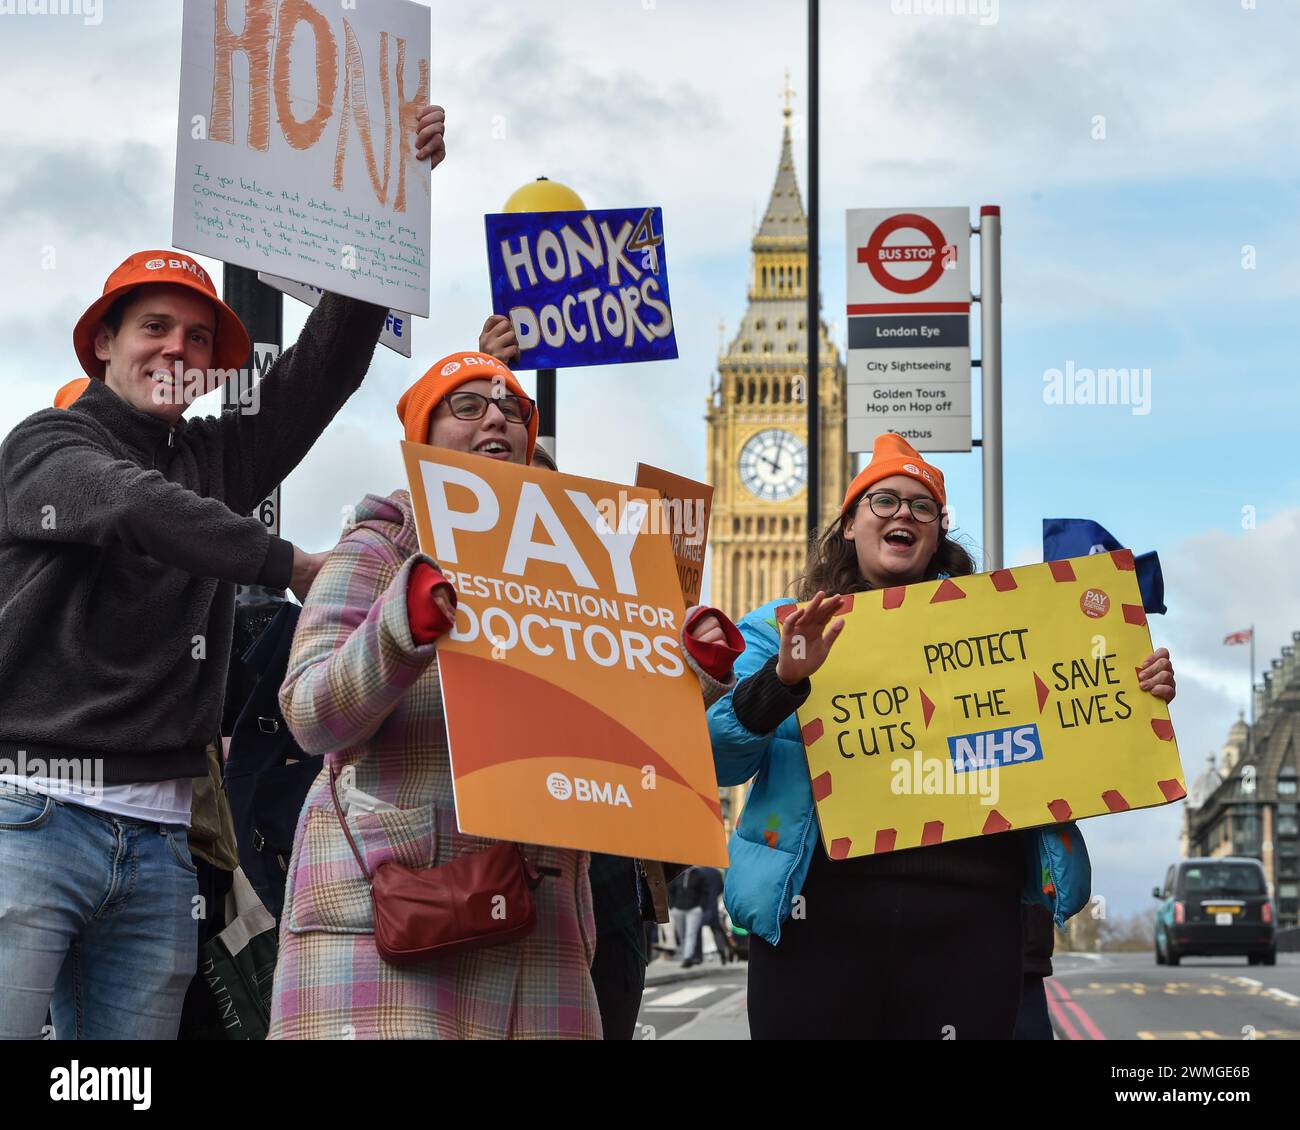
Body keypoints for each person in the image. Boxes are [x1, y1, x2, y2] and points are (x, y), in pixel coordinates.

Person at [0, 106, 448, 1041]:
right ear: (104, 346)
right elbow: (135, 508)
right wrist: (286, 561)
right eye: (155, 328)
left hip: (161, 845)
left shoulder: (214, 461)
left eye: (198, 340)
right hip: (29, 820)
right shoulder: (48, 445)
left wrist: (396, 200)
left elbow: (320, 374)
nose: (177, 350)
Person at [267, 351, 738, 1039]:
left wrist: (689, 673)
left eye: (513, 409)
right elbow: (311, 714)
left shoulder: (586, 570)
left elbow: (618, 741)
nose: (497, 417)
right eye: (468, 405)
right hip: (396, 918)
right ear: (421, 441)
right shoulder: (376, 551)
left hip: (538, 930)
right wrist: (401, 627)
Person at [706, 433, 1177, 1039]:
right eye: (884, 501)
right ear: (849, 525)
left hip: (968, 925)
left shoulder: (1001, 629)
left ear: (937, 532)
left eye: (921, 506)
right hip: (817, 927)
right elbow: (718, 758)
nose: (904, 513)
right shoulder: (781, 628)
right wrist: (782, 679)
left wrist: (1135, 689)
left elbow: (1079, 727)